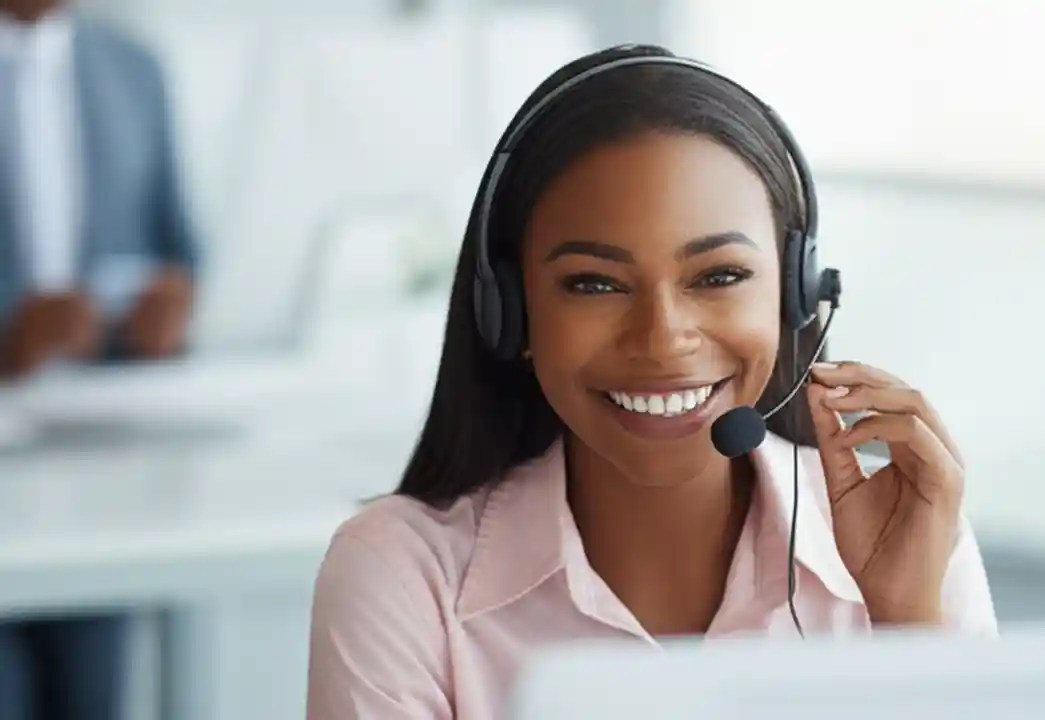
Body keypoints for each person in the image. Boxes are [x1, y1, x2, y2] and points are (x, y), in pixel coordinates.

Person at [306, 45, 997, 720]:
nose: (664, 339)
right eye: (594, 284)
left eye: (718, 276)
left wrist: (909, 627)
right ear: (510, 314)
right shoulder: (402, 574)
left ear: (793, 295)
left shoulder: (912, 534)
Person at [0, 1, 198, 719]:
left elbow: (181, 249)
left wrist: (167, 317)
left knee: (92, 695)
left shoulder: (131, 66)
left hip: (98, 465)